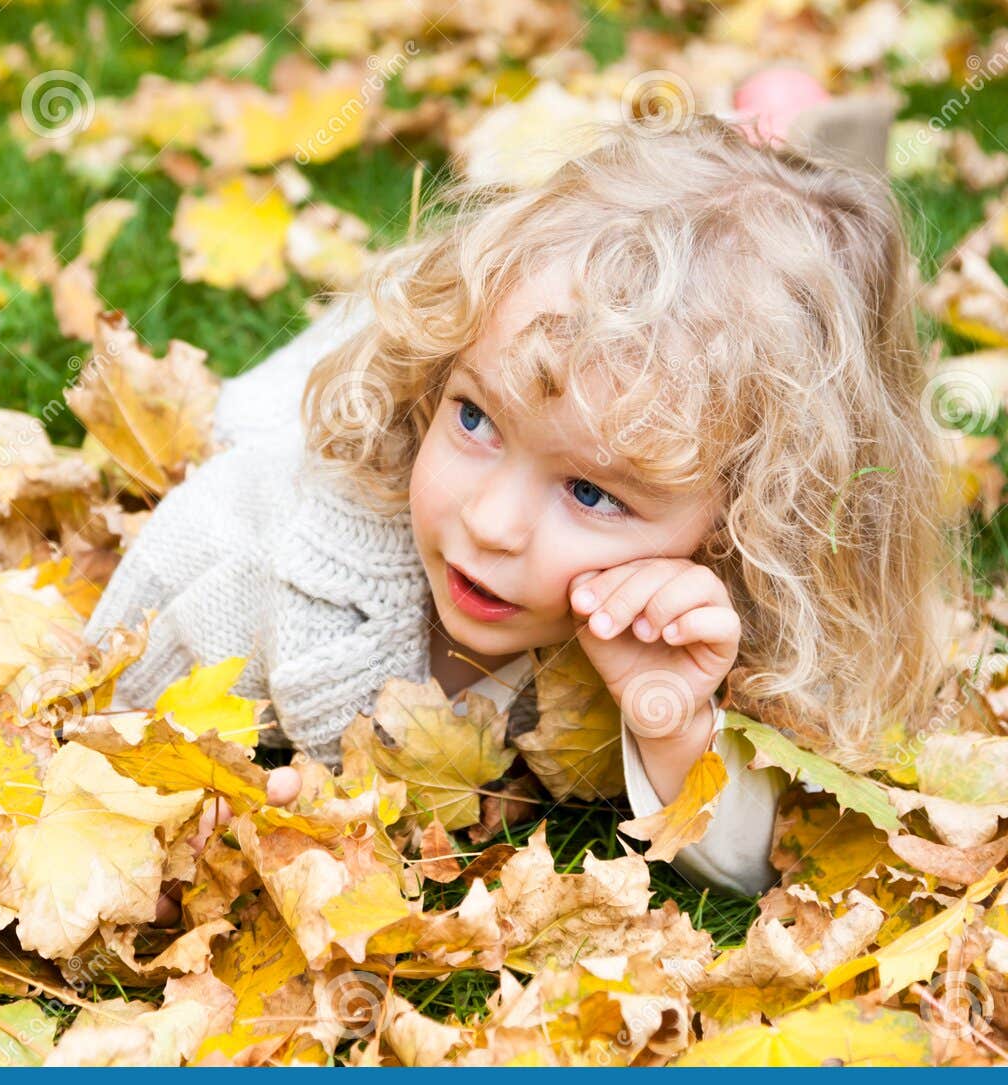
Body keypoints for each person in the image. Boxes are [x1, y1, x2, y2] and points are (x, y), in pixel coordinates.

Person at [81, 114, 971, 898]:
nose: (490, 523)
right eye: (473, 417)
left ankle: (794, 135)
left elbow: (757, 861)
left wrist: (671, 719)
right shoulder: (274, 540)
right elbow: (105, 694)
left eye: (592, 492)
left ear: (743, 528)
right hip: (290, 427)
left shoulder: (714, 614)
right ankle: (771, 123)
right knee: (274, 400)